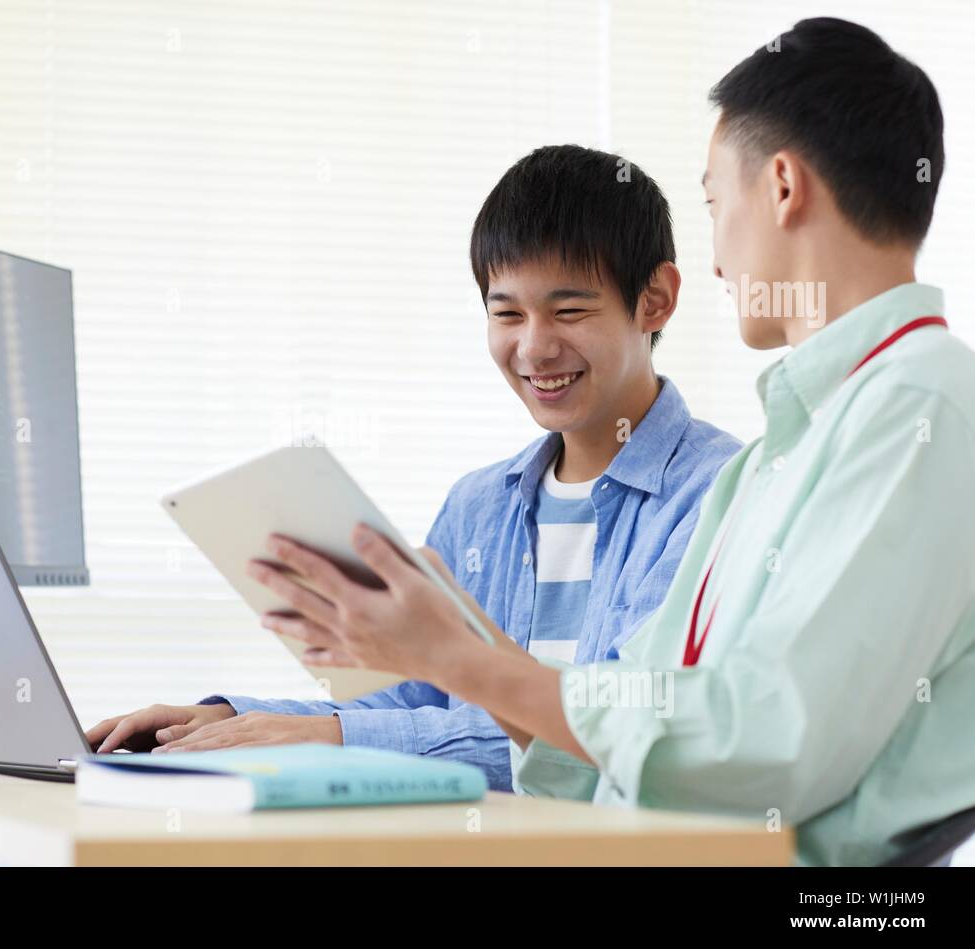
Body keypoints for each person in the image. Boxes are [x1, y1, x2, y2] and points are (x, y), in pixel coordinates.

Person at [247, 17, 975, 865]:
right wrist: (452, 650)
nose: (714, 263)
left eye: (714, 203)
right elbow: (633, 729)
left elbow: (765, 747)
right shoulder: (777, 454)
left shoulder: (922, 406)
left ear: (781, 188)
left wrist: (463, 660)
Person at [88, 145, 740, 792]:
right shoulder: (480, 504)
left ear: (654, 300)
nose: (535, 347)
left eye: (569, 311)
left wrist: (328, 737)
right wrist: (229, 721)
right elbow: (404, 708)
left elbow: (623, 735)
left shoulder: (721, 493)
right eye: (507, 313)